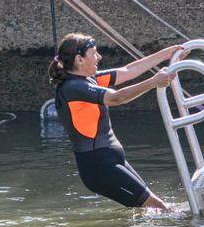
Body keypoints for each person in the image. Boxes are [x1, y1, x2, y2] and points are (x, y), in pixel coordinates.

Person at [48, 33, 180, 209]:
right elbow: (116, 98)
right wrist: (153, 82)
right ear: (79, 60)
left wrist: (166, 54)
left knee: (148, 210)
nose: (99, 57)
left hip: (109, 161)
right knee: (159, 208)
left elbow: (128, 71)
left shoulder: (89, 79)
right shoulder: (73, 88)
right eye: (94, 53)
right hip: (99, 166)